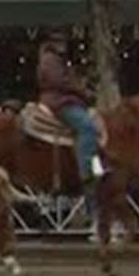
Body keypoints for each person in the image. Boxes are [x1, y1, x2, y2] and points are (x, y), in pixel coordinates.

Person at [37, 31, 105, 184]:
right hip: (59, 102)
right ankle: (87, 172)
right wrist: (83, 91)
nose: (63, 45)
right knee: (87, 127)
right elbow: (60, 81)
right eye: (60, 41)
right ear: (52, 43)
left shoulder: (59, 60)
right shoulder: (50, 59)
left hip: (65, 100)